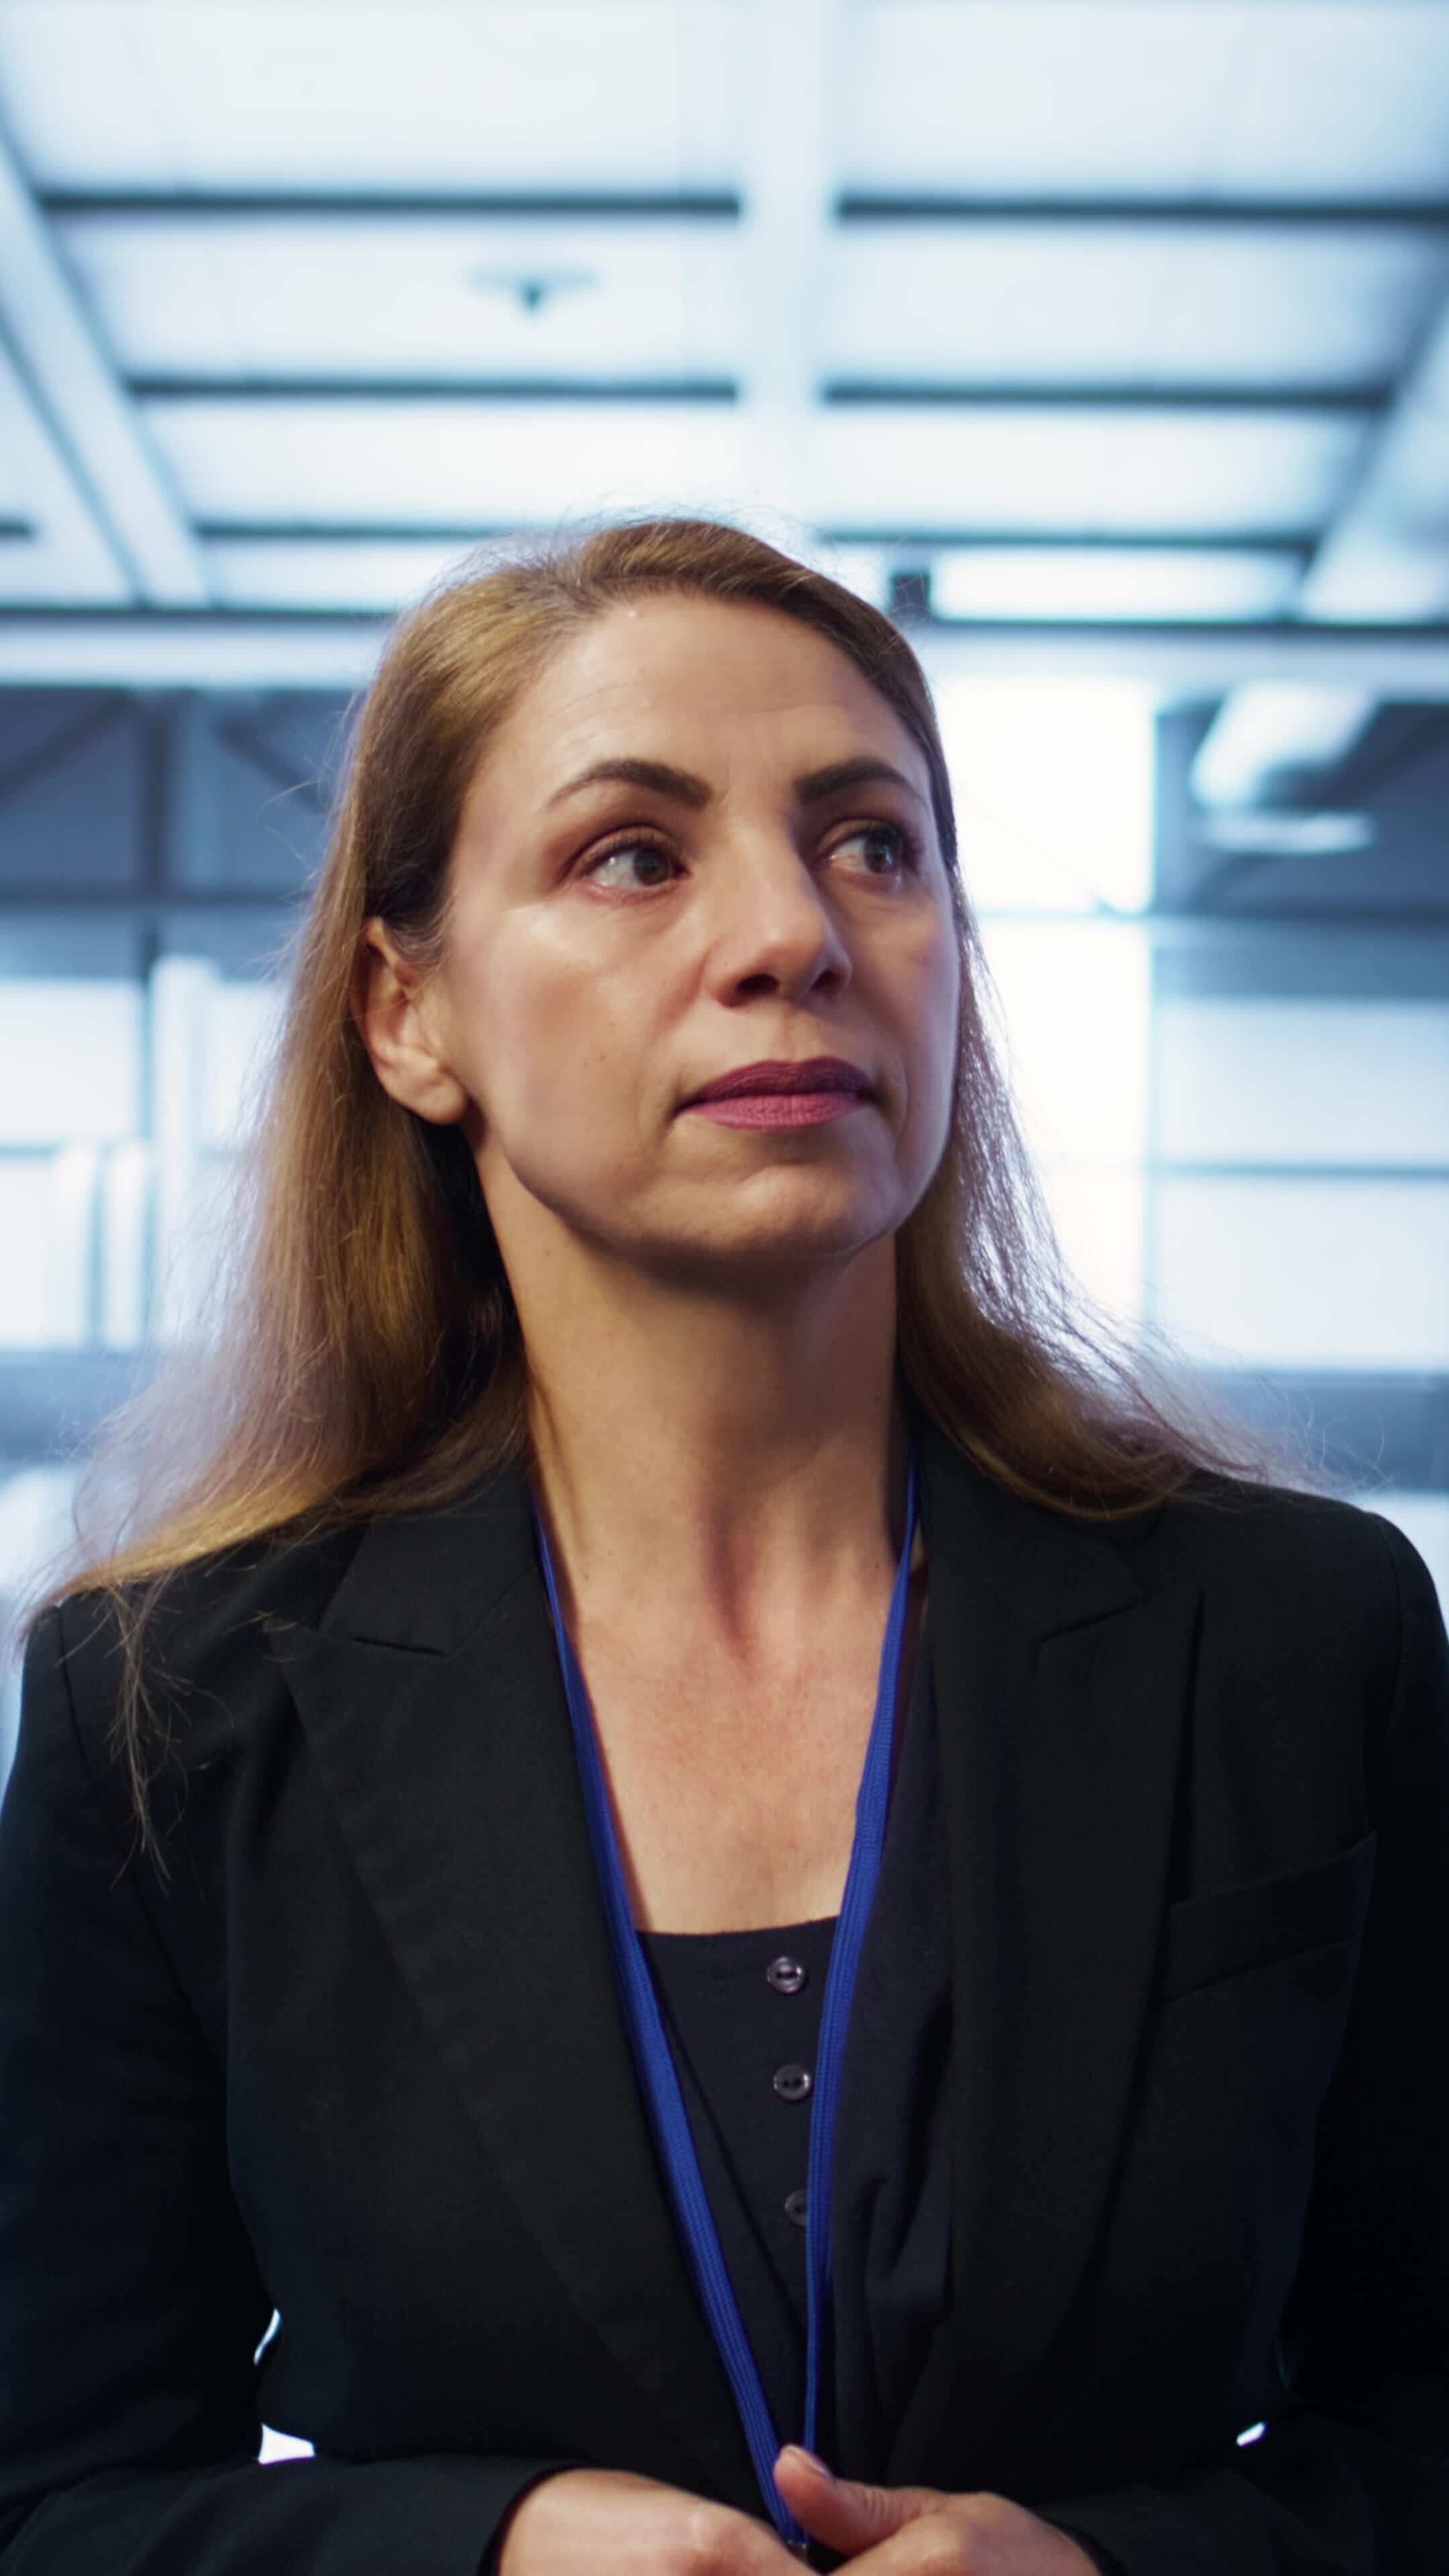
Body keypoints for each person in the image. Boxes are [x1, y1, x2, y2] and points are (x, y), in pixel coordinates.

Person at [1, 517, 1445, 2576]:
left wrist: (1129, 2568)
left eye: (874, 842)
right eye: (633, 855)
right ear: (409, 1013)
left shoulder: (1304, 1639)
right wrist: (481, 2553)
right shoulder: (172, 1705)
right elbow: (57, 2502)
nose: (794, 930)